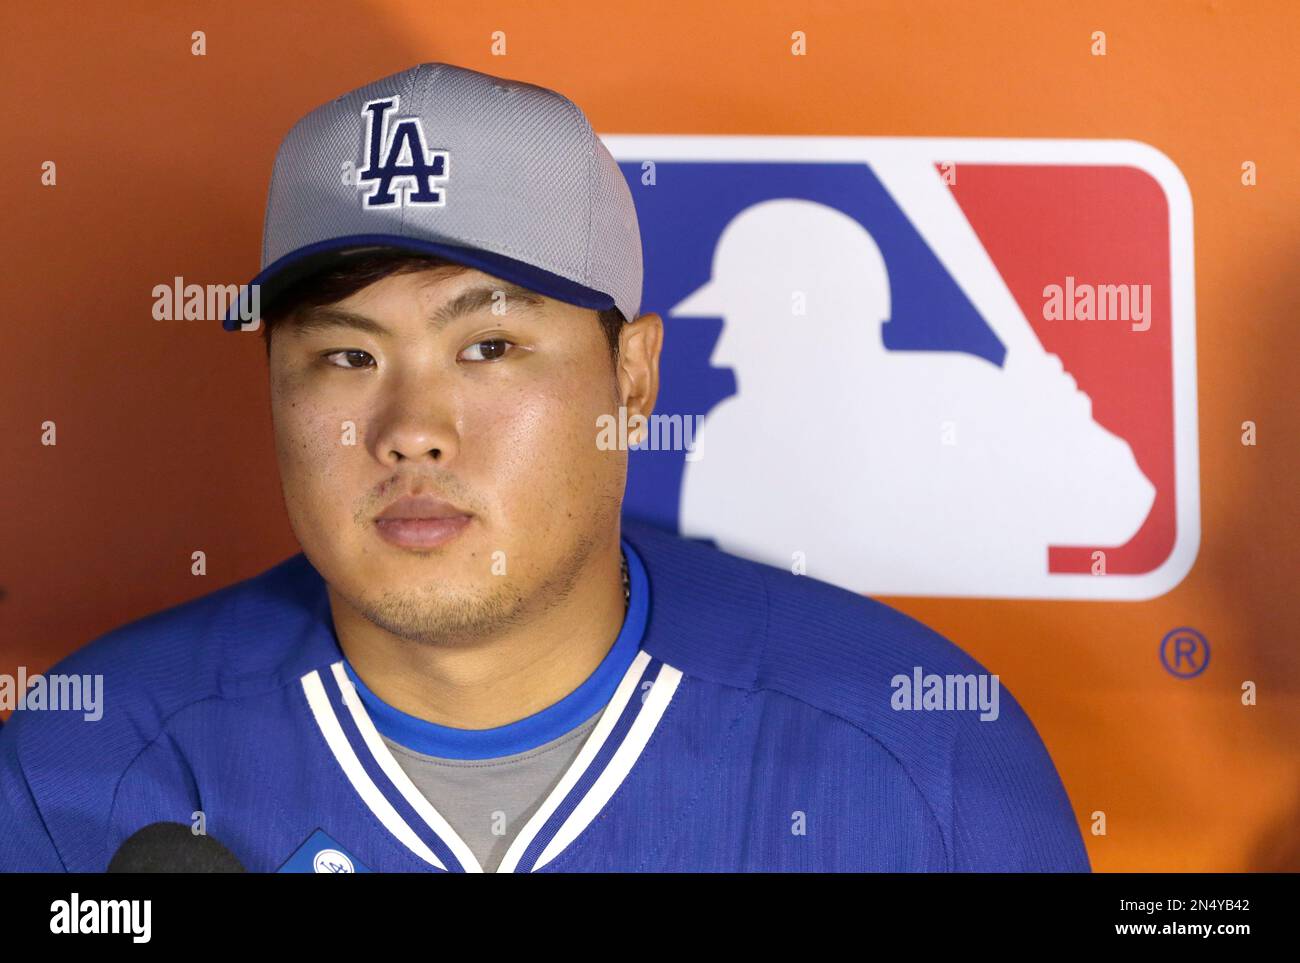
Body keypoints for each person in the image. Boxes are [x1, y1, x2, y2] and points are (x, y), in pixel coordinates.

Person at [0, 62, 1089, 872]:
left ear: (632, 377)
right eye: (346, 354)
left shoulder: (917, 752)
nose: (412, 429)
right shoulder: (86, 761)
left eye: (489, 348)